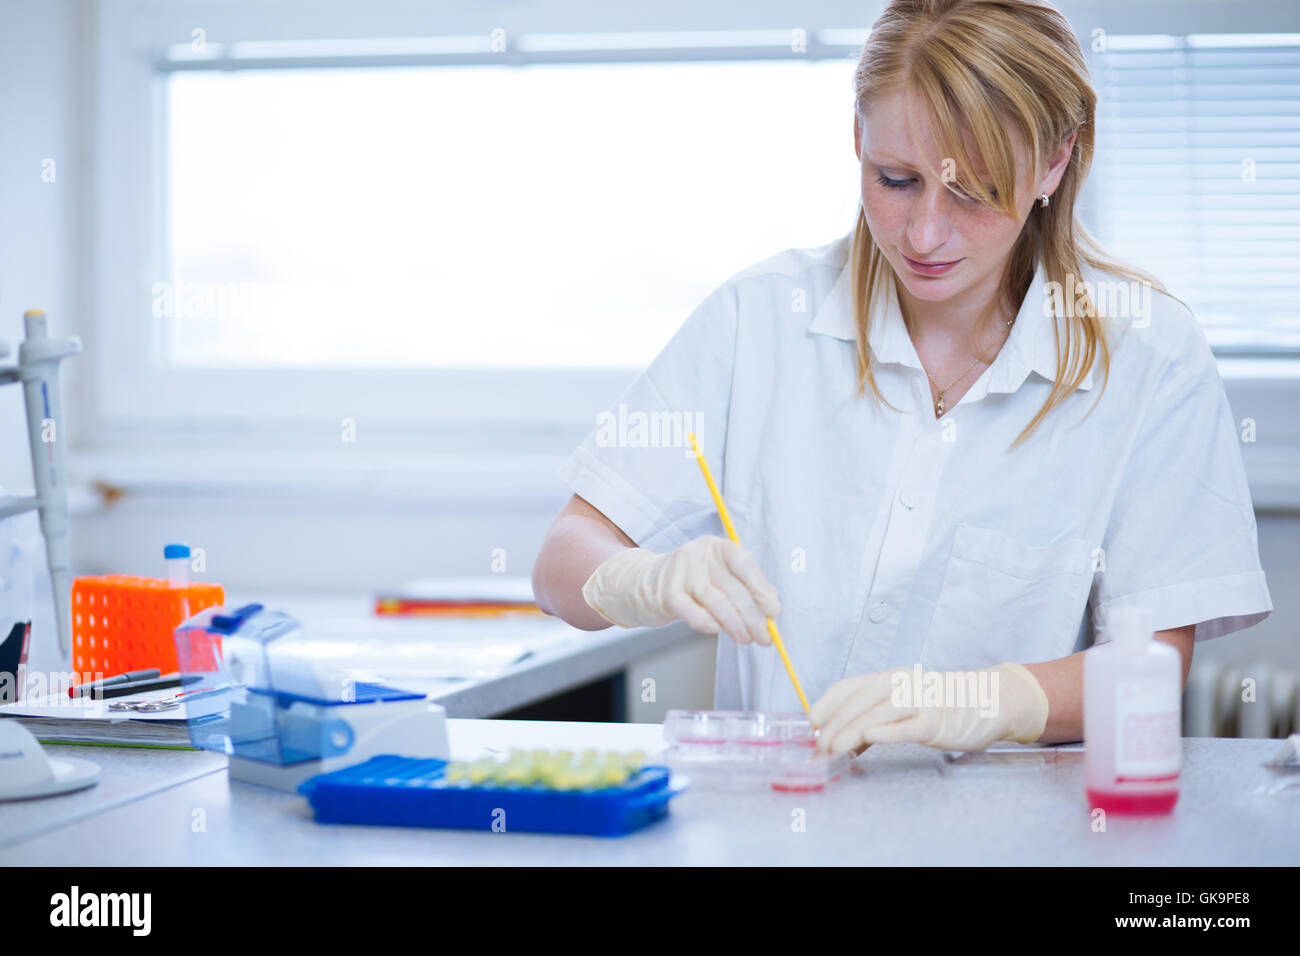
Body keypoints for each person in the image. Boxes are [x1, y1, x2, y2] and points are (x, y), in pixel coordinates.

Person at [530, 0, 1273, 754]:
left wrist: (991, 699)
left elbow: (1150, 670)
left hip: (1008, 819)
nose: (924, 234)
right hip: (776, 809)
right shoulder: (758, 320)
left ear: (1054, 162)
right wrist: (643, 579)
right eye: (895, 180)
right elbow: (562, 559)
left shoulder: (1149, 357)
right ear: (858, 137)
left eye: (975, 192)